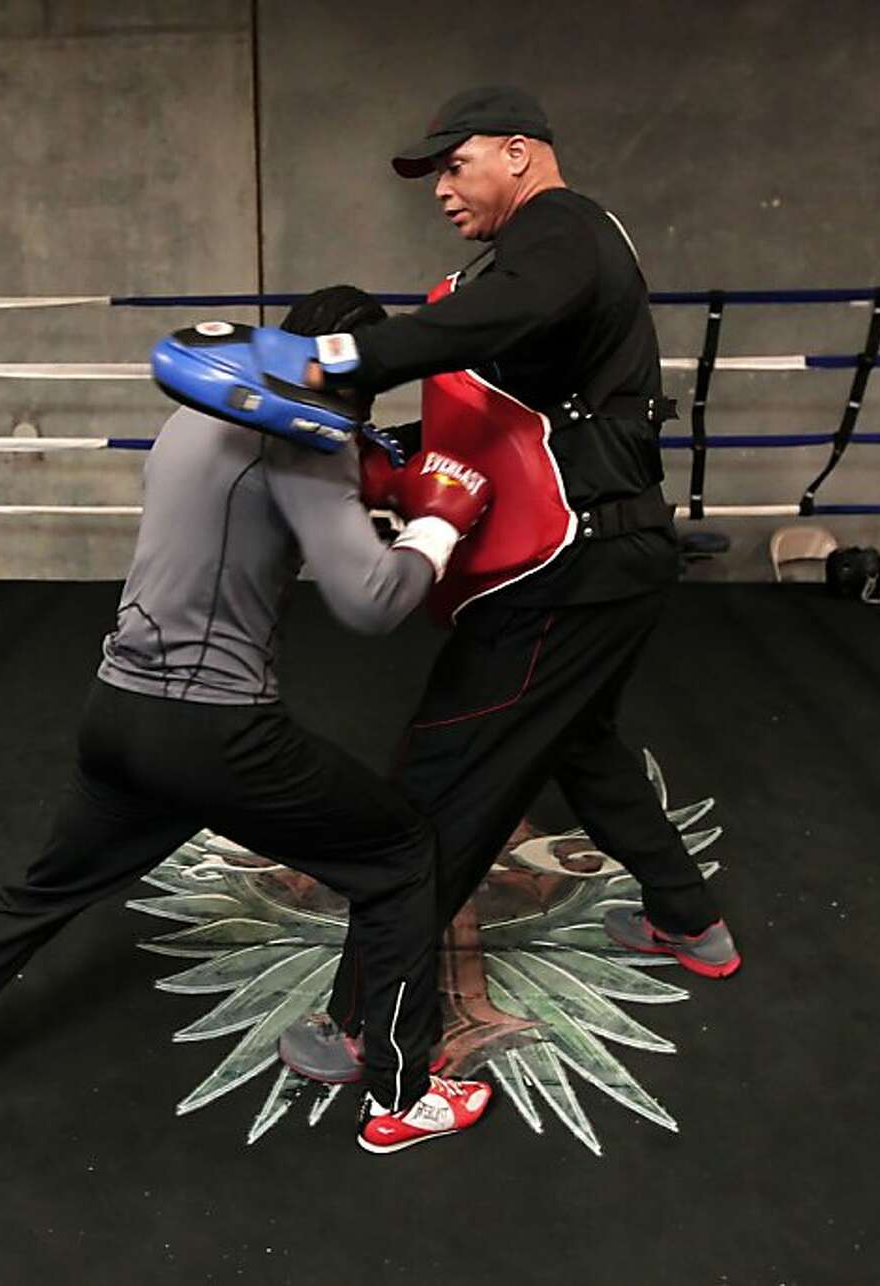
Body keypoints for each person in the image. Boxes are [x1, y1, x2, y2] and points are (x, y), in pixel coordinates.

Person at [0, 286, 494, 1155]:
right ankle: (401, 1096)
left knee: (43, 894)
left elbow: (241, 506)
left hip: (119, 710)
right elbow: (371, 602)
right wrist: (436, 524)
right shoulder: (306, 444)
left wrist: (369, 473)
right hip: (217, 732)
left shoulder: (195, 413)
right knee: (401, 855)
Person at [279, 87, 739, 1086]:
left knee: (441, 786)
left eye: (456, 164)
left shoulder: (559, 231)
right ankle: (690, 921)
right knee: (584, 743)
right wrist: (388, 446)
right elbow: (508, 416)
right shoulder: (537, 253)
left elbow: (503, 318)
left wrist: (340, 356)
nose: (442, 189)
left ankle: (365, 1025)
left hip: (565, 576)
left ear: (522, 154)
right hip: (612, 560)